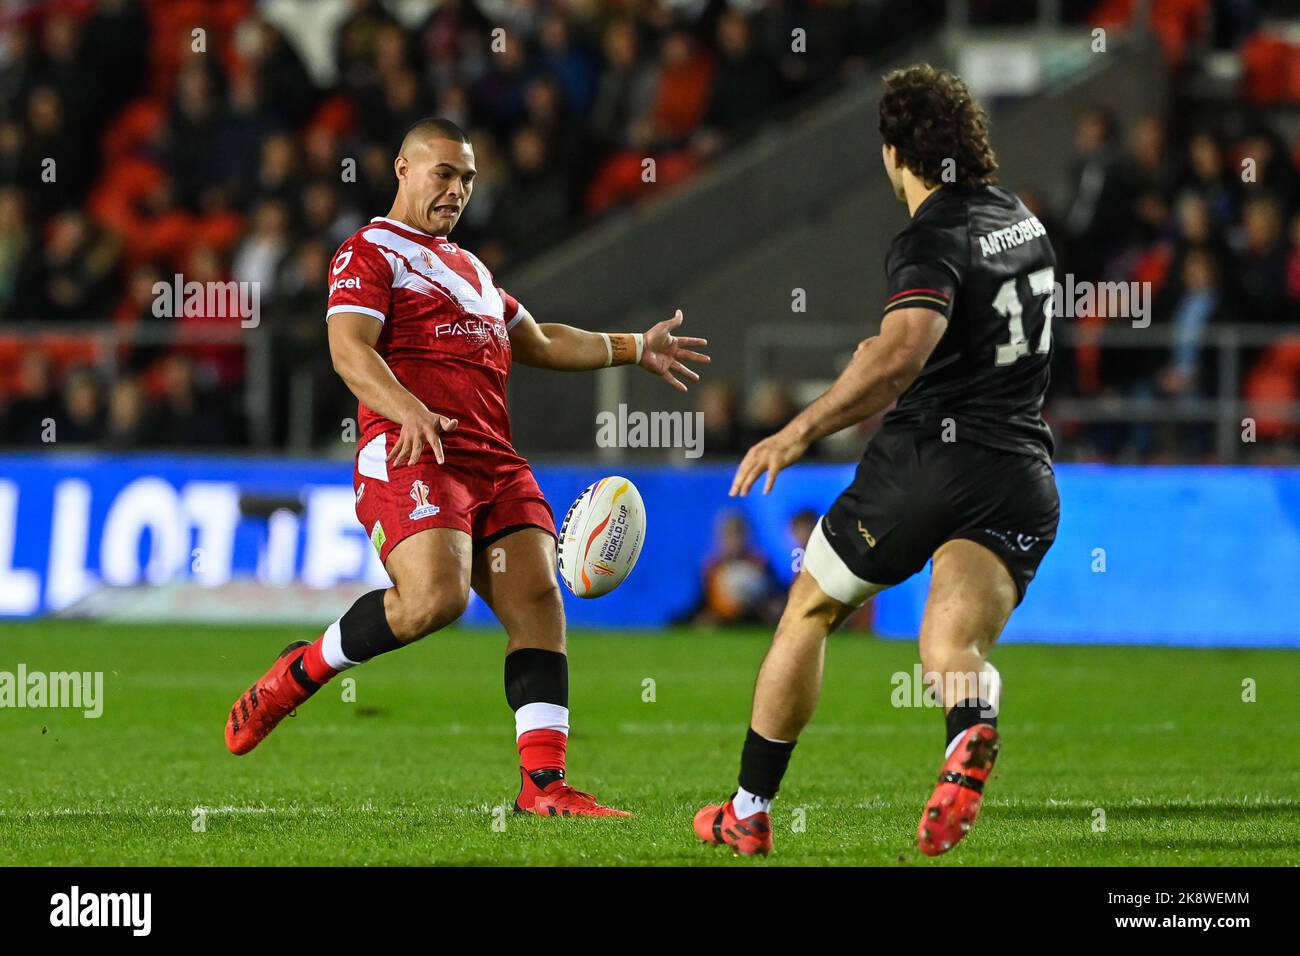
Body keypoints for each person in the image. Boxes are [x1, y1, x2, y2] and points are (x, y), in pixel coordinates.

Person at [224, 118, 709, 819]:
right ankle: (300, 671)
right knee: (434, 601)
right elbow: (349, 350)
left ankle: (544, 787)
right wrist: (408, 409)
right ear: (403, 168)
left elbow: (540, 340)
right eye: (444, 172)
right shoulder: (369, 252)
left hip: (493, 460)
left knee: (540, 604)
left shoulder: (472, 271)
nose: (457, 189)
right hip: (411, 451)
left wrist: (633, 345)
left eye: (469, 178)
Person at [693, 65, 1060, 857]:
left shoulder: (929, 237)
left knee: (810, 611)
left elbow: (901, 357)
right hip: (1020, 476)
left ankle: (748, 810)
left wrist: (795, 432)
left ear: (896, 153)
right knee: (950, 649)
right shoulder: (1024, 222)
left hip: (927, 464)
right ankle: (969, 732)